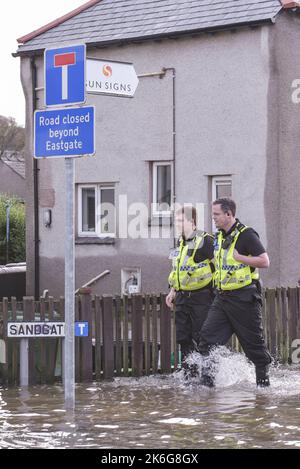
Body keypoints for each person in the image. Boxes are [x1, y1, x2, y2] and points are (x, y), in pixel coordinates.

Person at [198, 197, 272, 387]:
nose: (213, 218)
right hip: (222, 298)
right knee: (206, 341)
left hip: (244, 298)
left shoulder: (246, 235)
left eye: (216, 214)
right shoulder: (220, 236)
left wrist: (241, 258)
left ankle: (263, 389)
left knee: (254, 347)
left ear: (229, 214)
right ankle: (207, 387)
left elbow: (264, 261)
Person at [166, 205, 215, 379]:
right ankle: (189, 377)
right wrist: (172, 291)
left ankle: (208, 378)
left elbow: (218, 266)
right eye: (176, 220)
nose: (177, 224)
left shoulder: (206, 240)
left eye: (180, 220)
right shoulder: (180, 242)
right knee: (183, 338)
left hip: (202, 297)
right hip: (182, 298)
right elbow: (179, 270)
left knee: (202, 338)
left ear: (192, 221)